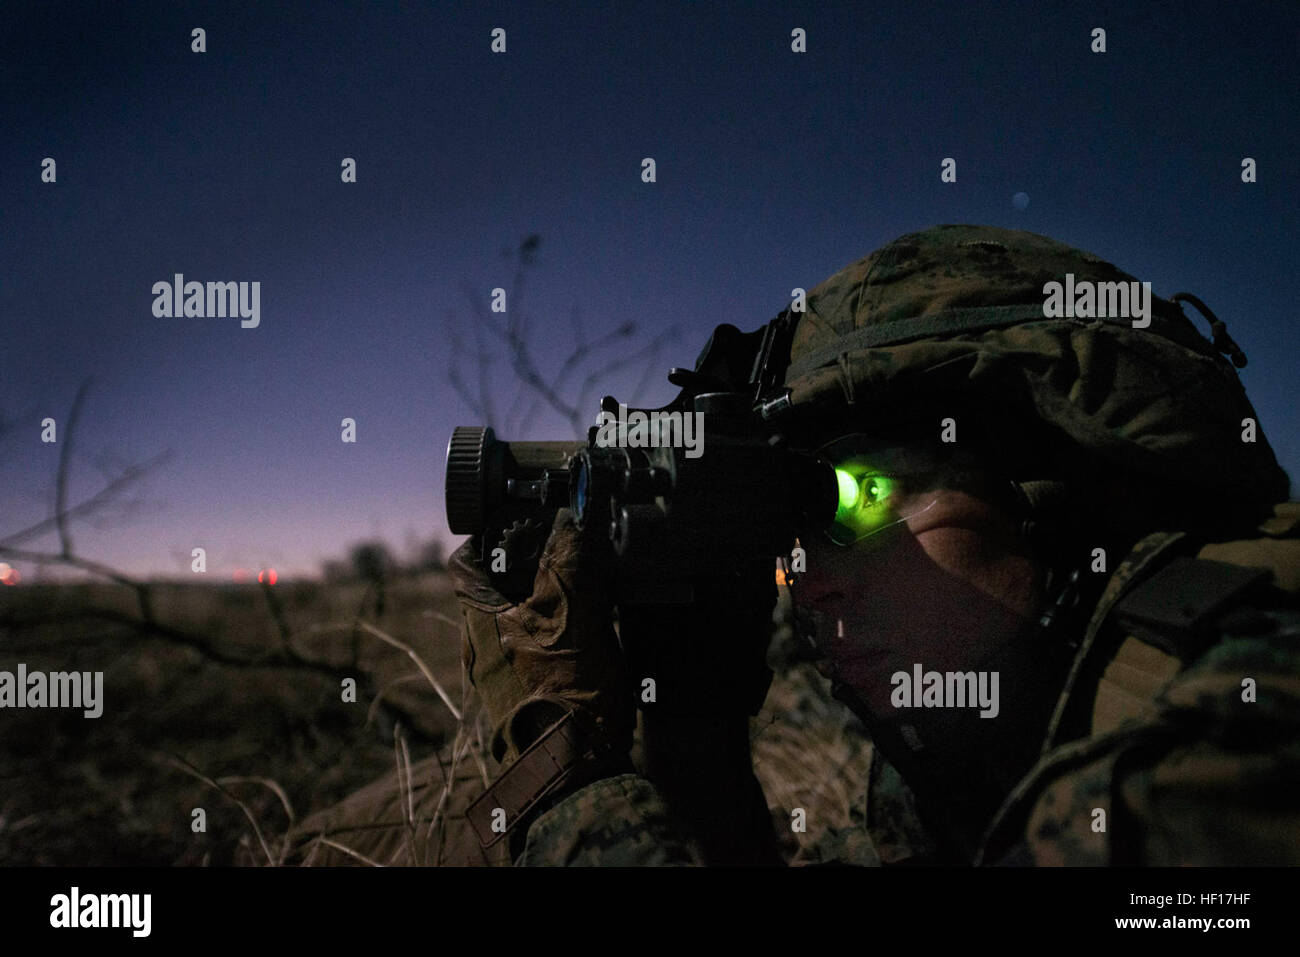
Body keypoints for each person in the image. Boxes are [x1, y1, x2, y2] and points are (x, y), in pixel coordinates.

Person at [450, 224, 1300, 866]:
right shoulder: (992, 740)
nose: (806, 585)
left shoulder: (1223, 741)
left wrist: (559, 784)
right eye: (790, 532)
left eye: (850, 497)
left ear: (1055, 481)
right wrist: (694, 731)